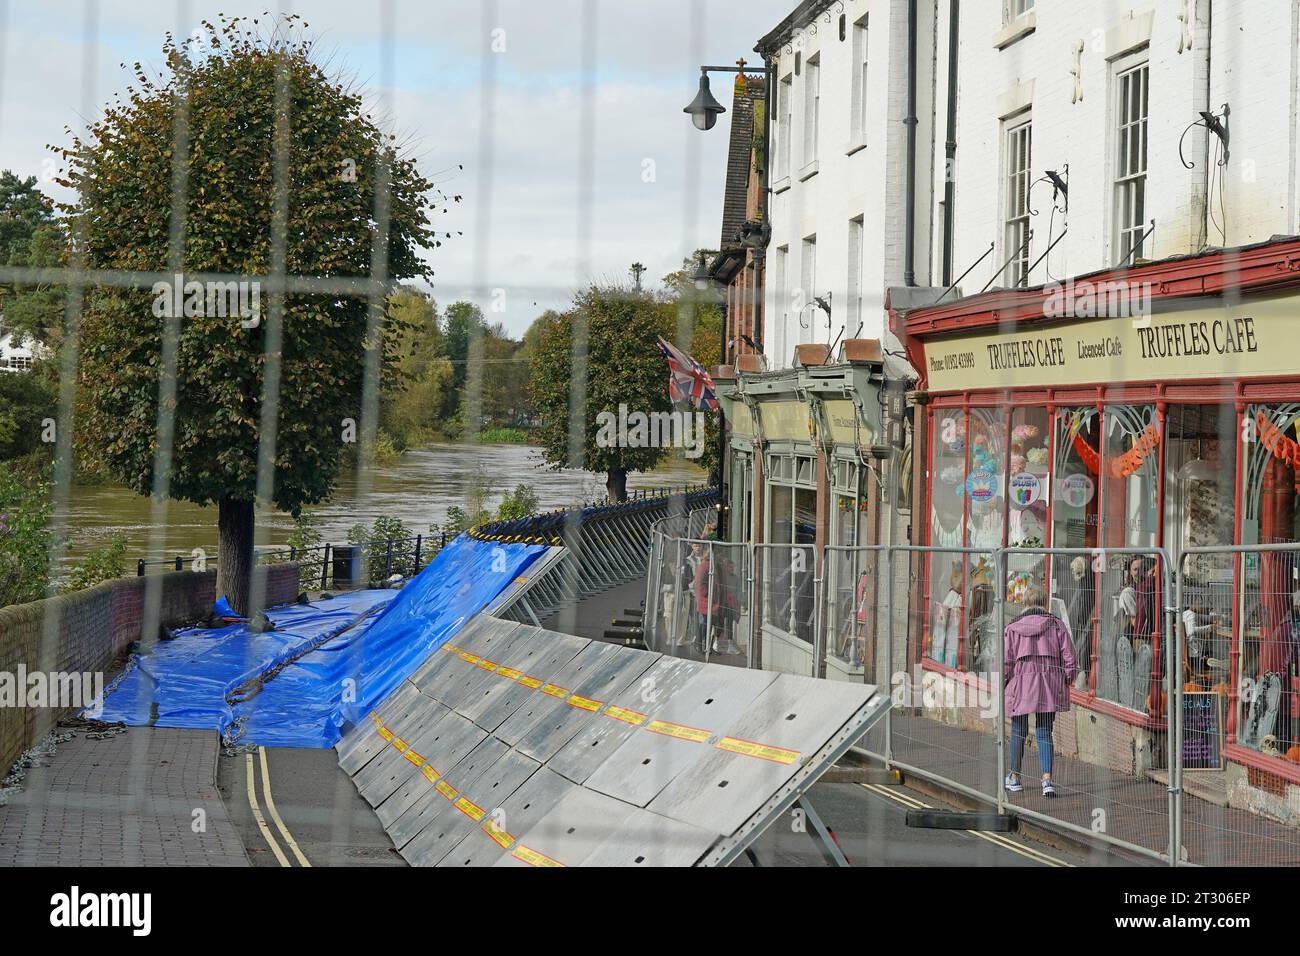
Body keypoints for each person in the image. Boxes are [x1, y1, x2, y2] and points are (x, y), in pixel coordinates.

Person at [1003, 584, 1077, 798]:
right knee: (1044, 731)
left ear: (1025, 604)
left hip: (1021, 684)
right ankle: (1047, 780)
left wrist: (1003, 683)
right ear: (1045, 603)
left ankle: (1015, 778)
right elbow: (1070, 658)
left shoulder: (1012, 628)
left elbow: (1006, 661)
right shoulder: (1056, 625)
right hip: (1049, 683)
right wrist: (1066, 679)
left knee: (1018, 731)